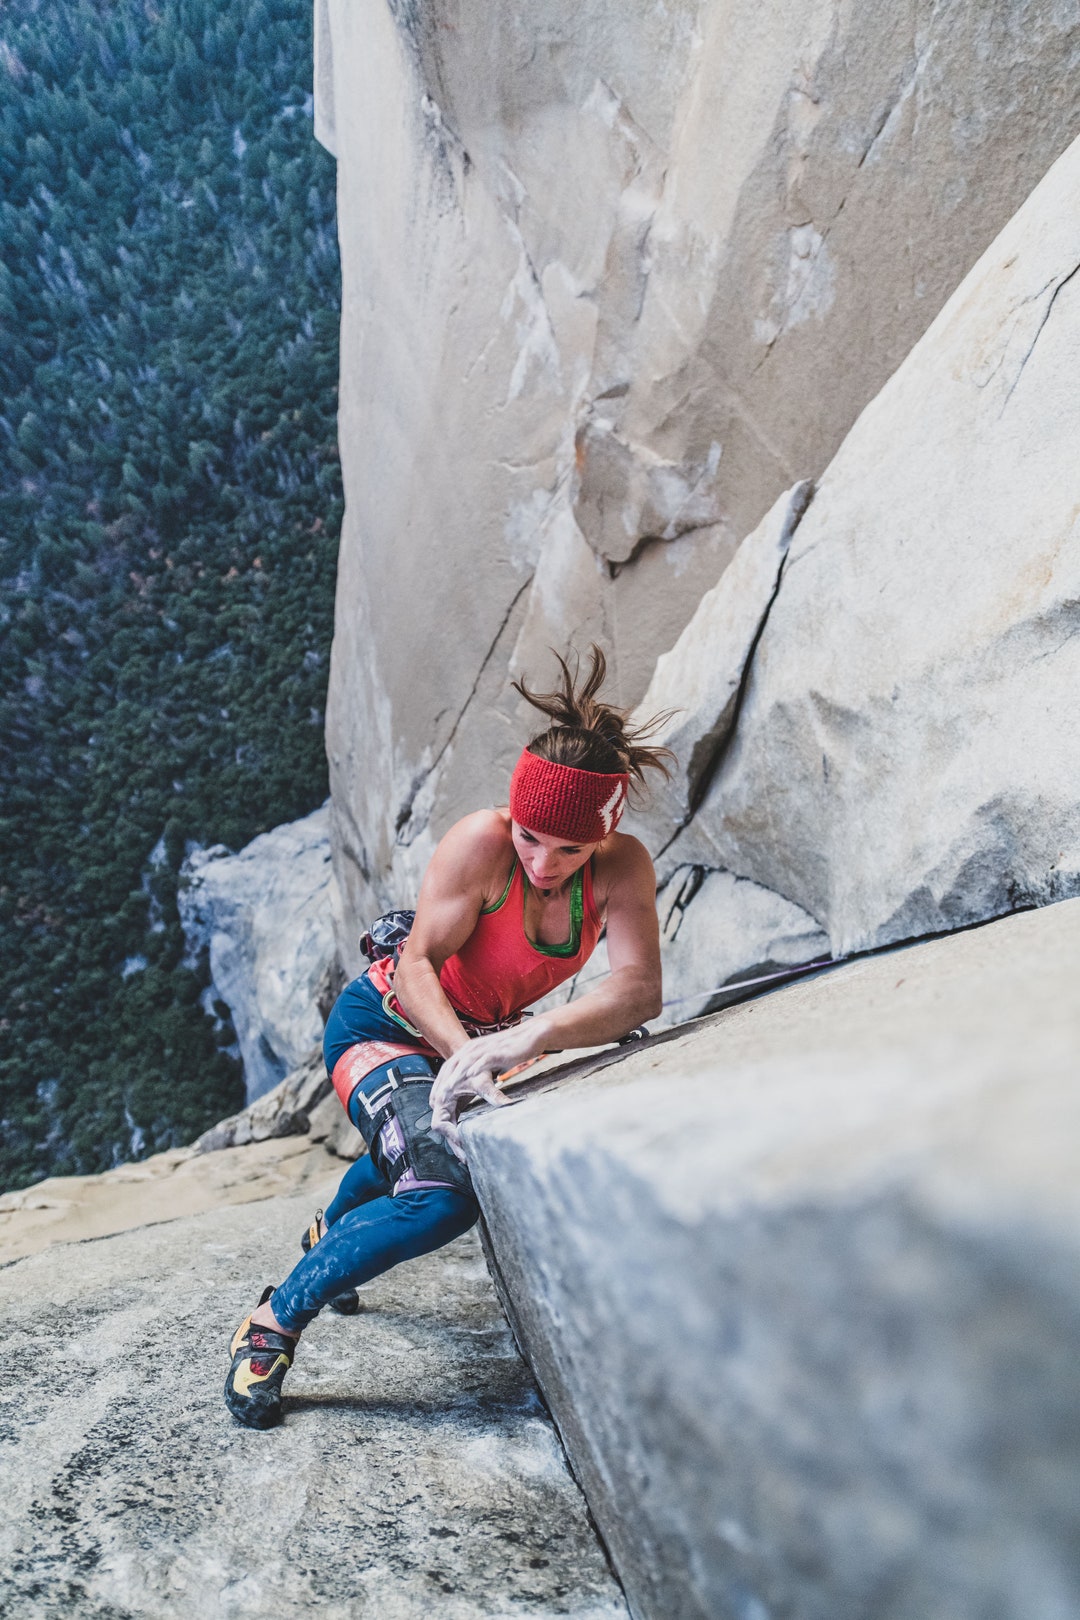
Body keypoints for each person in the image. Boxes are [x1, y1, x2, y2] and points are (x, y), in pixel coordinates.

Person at [224, 647, 671, 1428]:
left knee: (411, 1142)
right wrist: (468, 1050)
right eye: (531, 837)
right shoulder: (481, 843)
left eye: (569, 849)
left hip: (476, 1038)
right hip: (385, 1026)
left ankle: (332, 1226)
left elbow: (639, 989)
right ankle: (273, 1319)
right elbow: (420, 963)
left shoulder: (623, 865)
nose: (542, 862)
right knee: (439, 1193)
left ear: (603, 835)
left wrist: (528, 1037)